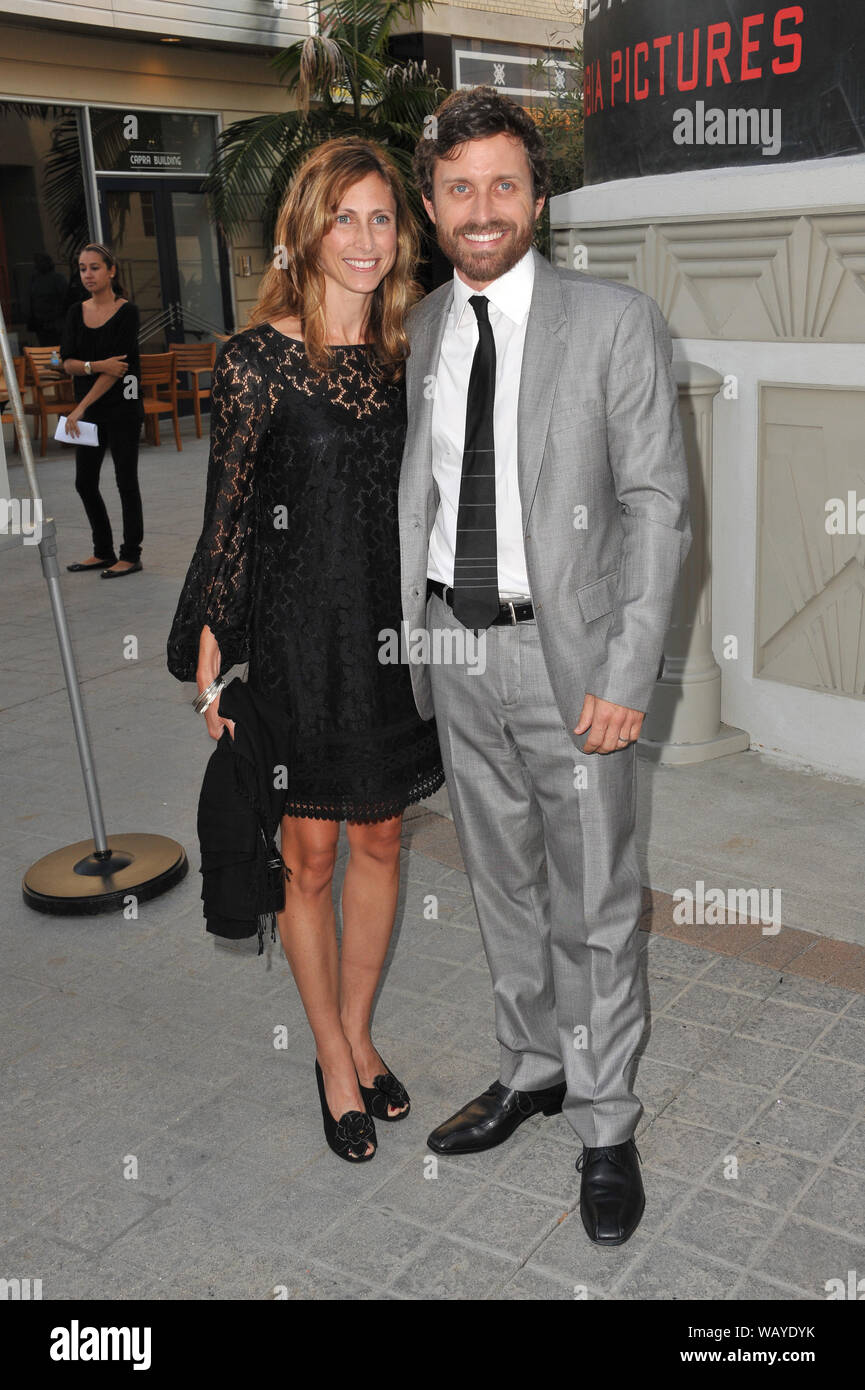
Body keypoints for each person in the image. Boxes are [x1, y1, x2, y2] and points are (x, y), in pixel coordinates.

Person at [399, 87, 691, 1244]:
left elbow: (658, 505)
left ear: (536, 197)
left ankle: (606, 1121)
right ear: (433, 206)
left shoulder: (612, 320)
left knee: (599, 903)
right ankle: (532, 1069)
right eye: (459, 188)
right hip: (452, 645)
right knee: (500, 881)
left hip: (572, 663)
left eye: (503, 185)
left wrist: (626, 669)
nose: (483, 208)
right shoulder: (420, 326)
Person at [166, 138, 444, 1164]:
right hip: (292, 643)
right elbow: (228, 520)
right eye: (345, 218)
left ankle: (361, 1028)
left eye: (381, 218)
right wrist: (210, 661)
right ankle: (331, 1054)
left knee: (380, 840)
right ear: (307, 230)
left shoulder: (412, 351)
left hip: (386, 639)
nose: (365, 239)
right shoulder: (253, 362)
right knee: (313, 854)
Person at [60, 243, 144, 577]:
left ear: (111, 271)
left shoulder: (128, 312)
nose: (88, 274)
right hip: (90, 413)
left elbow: (118, 370)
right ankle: (103, 550)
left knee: (126, 482)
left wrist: (80, 405)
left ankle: (130, 554)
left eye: (95, 267)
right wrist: (95, 364)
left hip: (122, 407)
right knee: (84, 482)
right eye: (82, 268)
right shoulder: (74, 313)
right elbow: (67, 363)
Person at [27, 253, 68, 345]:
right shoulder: (34, 279)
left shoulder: (58, 278)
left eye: (40, 262)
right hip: (40, 322)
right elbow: (31, 300)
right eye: (37, 262)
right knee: (45, 347)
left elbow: (65, 299)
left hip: (55, 322)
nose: (38, 265)